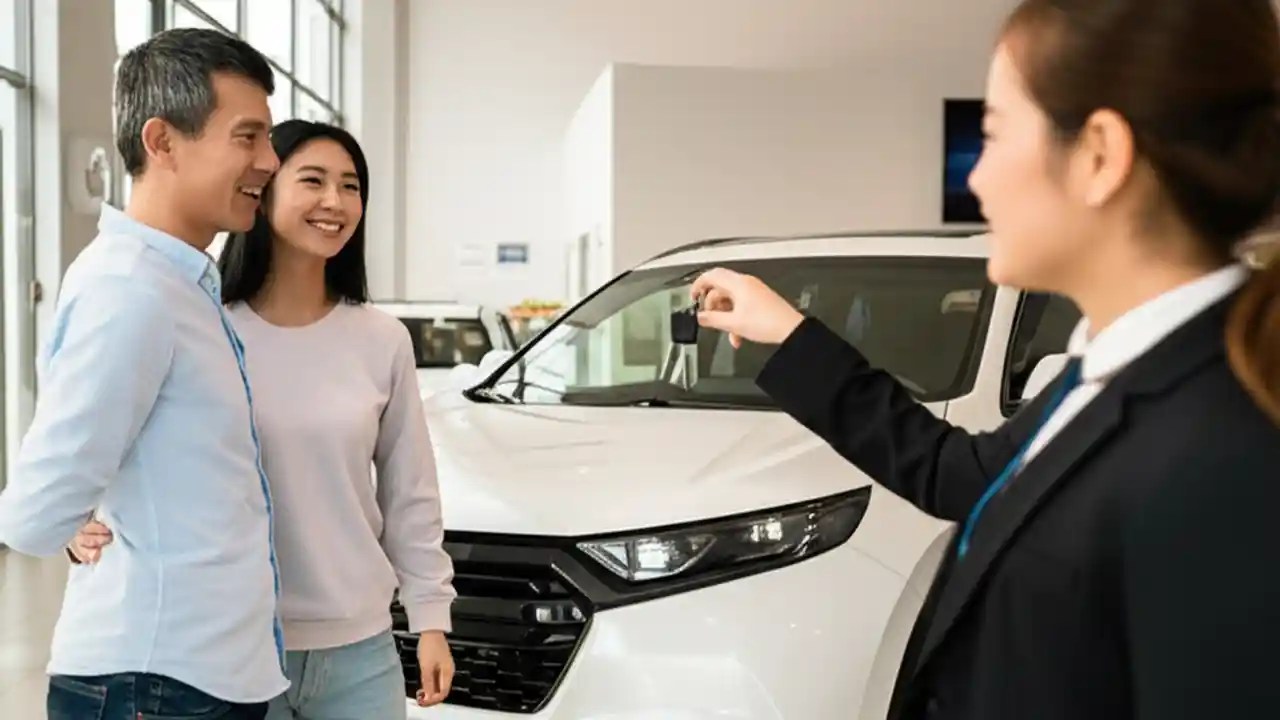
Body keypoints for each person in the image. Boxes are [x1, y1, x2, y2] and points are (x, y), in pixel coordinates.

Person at [691, 0, 1280, 718]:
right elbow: (964, 475)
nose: (977, 180)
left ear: (1099, 156)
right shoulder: (1110, 373)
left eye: (995, 134)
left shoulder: (1225, 455)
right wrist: (788, 335)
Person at [75, 120, 458, 718]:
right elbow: (112, 443)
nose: (335, 201)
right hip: (227, 648)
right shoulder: (201, 326)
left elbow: (412, 492)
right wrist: (77, 519)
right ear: (265, 190)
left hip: (360, 651)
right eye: (313, 180)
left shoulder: (381, 340)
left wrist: (431, 616)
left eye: (351, 186)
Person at [0, 29, 286, 720]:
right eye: (247, 137)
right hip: (154, 687)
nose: (269, 161)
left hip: (202, 676)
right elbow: (37, 511)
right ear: (162, 142)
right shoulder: (130, 288)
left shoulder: (178, 282)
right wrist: (70, 515)